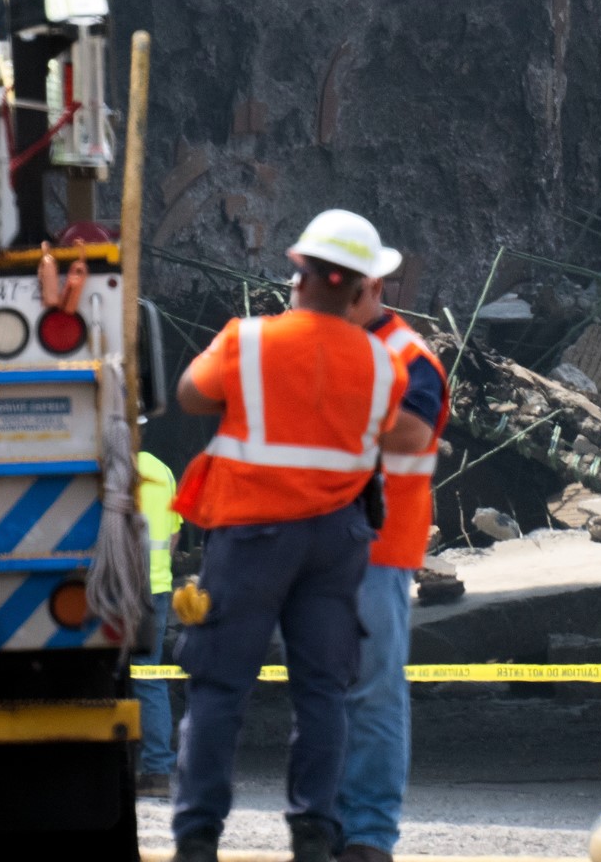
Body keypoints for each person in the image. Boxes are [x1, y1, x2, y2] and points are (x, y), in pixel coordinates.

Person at [169, 209, 408, 862]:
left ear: (295, 276)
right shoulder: (384, 365)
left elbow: (190, 394)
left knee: (220, 687)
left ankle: (197, 837)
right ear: (361, 290)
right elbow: (382, 431)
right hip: (336, 542)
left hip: (250, 536)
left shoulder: (246, 341)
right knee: (323, 692)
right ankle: (313, 834)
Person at [335, 266, 447, 862]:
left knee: (374, 691)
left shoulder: (407, 354)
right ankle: (330, 824)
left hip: (378, 548)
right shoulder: (317, 343)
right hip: (318, 548)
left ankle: (369, 835)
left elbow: (411, 432)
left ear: (376, 289)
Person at [133, 450, 181, 798]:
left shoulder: (108, 468)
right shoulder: (163, 470)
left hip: (113, 588)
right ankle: (157, 773)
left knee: (97, 674)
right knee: (149, 677)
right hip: (157, 587)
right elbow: (175, 535)